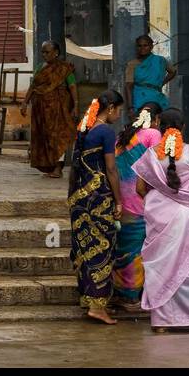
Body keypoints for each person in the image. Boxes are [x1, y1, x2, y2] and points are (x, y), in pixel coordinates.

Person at [133, 108, 189, 334]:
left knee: (162, 268)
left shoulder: (150, 154)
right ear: (183, 127)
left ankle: (162, 323)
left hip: (159, 218)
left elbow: (140, 188)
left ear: (159, 126)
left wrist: (160, 201)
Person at [68, 91, 124, 325]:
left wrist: (71, 197)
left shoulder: (84, 128)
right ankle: (97, 306)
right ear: (110, 108)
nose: (119, 115)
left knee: (85, 247)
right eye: (118, 110)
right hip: (99, 198)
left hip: (79, 198)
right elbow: (111, 169)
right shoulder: (106, 132)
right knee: (102, 249)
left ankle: (88, 299)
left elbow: (74, 167)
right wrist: (119, 200)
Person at [111, 102, 162, 313]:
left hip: (122, 202)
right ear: (156, 120)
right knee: (136, 253)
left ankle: (121, 293)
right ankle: (132, 297)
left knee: (124, 249)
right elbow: (158, 168)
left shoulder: (122, 137)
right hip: (142, 203)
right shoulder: (152, 135)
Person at [20, 40, 78, 177]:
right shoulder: (40, 68)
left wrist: (75, 105)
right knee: (44, 137)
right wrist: (24, 103)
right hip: (41, 110)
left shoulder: (64, 69)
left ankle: (58, 168)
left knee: (58, 137)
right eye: (43, 52)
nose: (44, 55)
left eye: (47, 52)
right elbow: (33, 86)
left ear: (56, 53)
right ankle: (50, 167)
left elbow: (72, 87)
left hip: (59, 109)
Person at [125, 33, 176, 114]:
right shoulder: (132, 64)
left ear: (151, 47)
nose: (142, 48)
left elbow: (173, 72)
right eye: (139, 46)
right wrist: (130, 107)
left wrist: (161, 83)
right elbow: (129, 86)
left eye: (145, 45)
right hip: (140, 97)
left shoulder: (160, 60)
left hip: (157, 96)